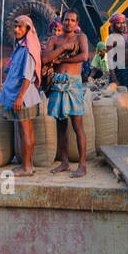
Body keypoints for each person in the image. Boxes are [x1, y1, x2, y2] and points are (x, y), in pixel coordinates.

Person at [45, 10, 91, 177]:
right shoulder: (54, 40)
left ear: (76, 22)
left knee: (78, 126)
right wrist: (64, 47)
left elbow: (84, 56)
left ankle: (82, 165)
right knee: (61, 126)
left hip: (73, 84)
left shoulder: (80, 38)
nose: (69, 23)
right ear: (62, 21)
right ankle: (64, 162)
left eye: (72, 20)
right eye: (66, 20)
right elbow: (45, 58)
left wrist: (62, 59)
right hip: (57, 84)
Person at [0, 15, 43, 176]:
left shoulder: (28, 49)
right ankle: (28, 165)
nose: (16, 30)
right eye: (15, 26)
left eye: (20, 27)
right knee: (27, 131)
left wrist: (19, 97)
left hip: (24, 96)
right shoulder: (22, 46)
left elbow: (27, 76)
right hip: (25, 95)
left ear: (28, 30)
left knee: (25, 132)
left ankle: (26, 167)